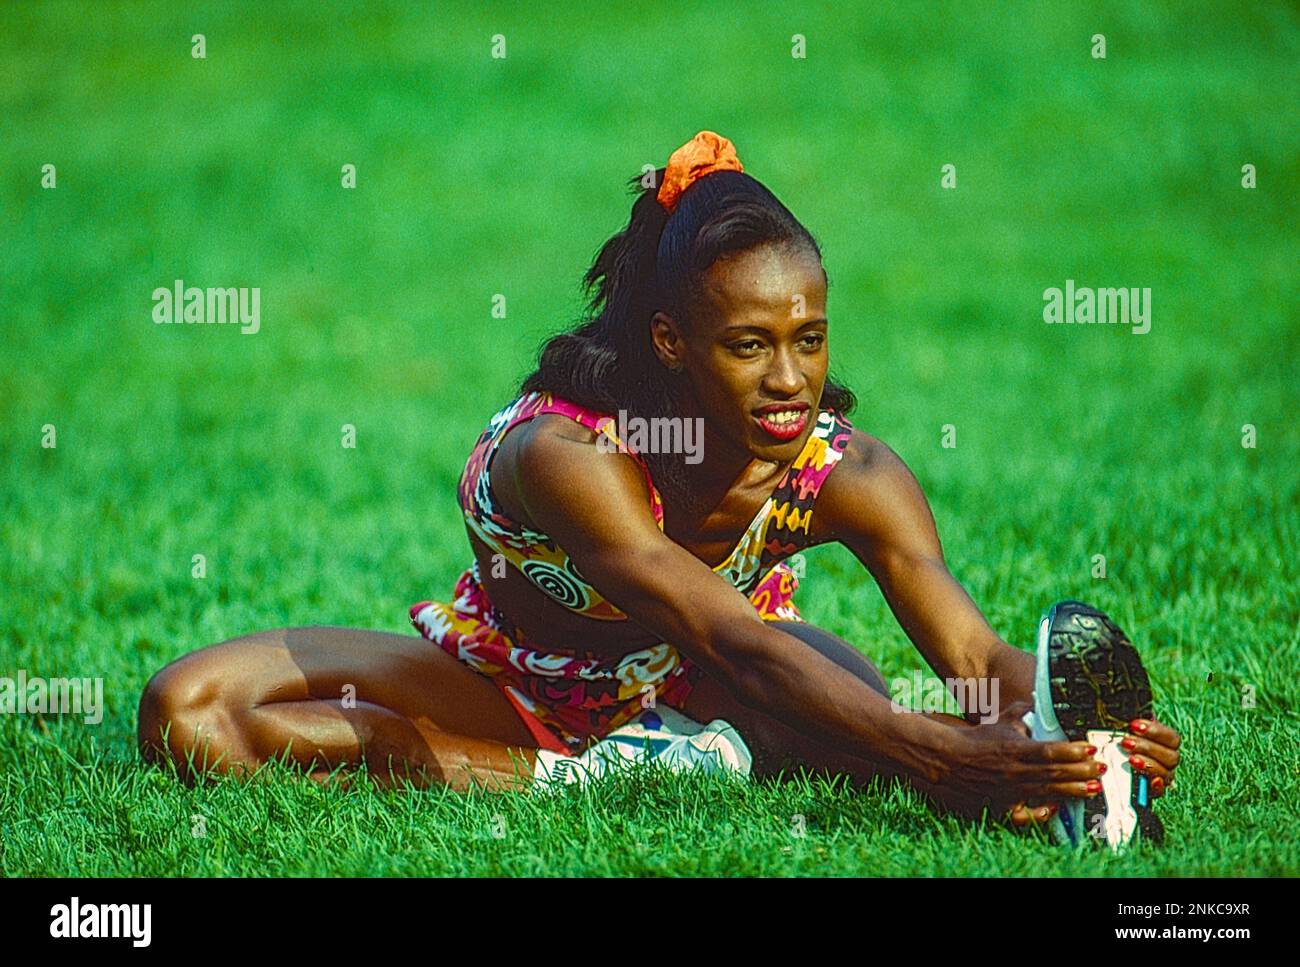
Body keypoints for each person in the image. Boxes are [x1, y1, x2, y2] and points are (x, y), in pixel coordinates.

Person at [138, 131, 1181, 845]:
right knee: (189, 711)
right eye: (748, 344)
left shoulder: (847, 473)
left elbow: (976, 659)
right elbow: (735, 637)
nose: (789, 379)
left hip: (717, 688)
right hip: (510, 689)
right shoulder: (565, 452)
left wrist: (1075, 737)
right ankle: (584, 768)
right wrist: (933, 754)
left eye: (809, 339)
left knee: (933, 722)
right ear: (672, 341)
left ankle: (644, 758)